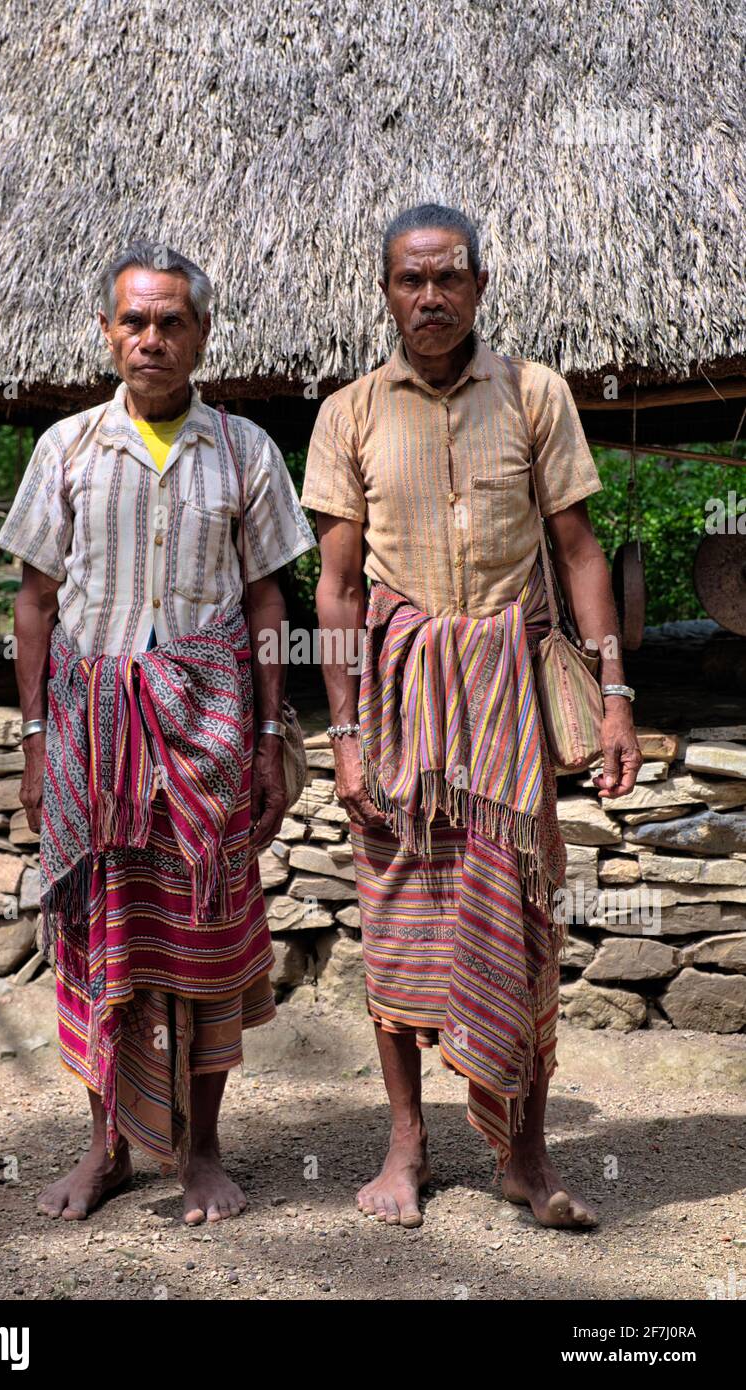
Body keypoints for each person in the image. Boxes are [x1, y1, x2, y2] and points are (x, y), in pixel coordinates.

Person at [302, 203, 642, 1230]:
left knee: (523, 912)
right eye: (410, 280)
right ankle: (405, 1147)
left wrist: (615, 691)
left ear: (480, 285)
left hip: (509, 692)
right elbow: (337, 588)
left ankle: (524, 1154)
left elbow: (579, 550)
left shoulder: (535, 394)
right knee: (398, 914)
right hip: (401, 695)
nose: (430, 297)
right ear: (386, 290)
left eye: (448, 277)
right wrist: (347, 733)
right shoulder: (348, 412)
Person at [0, 239, 315, 1223]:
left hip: (210, 733)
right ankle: (105, 1151)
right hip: (93, 738)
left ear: (202, 334)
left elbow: (267, 602)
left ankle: (202, 1153)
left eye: (172, 321)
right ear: (107, 332)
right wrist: (36, 740)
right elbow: (35, 606)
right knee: (100, 940)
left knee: (206, 938)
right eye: (134, 321)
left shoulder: (246, 450)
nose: (152, 339)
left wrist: (267, 733)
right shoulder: (68, 449)